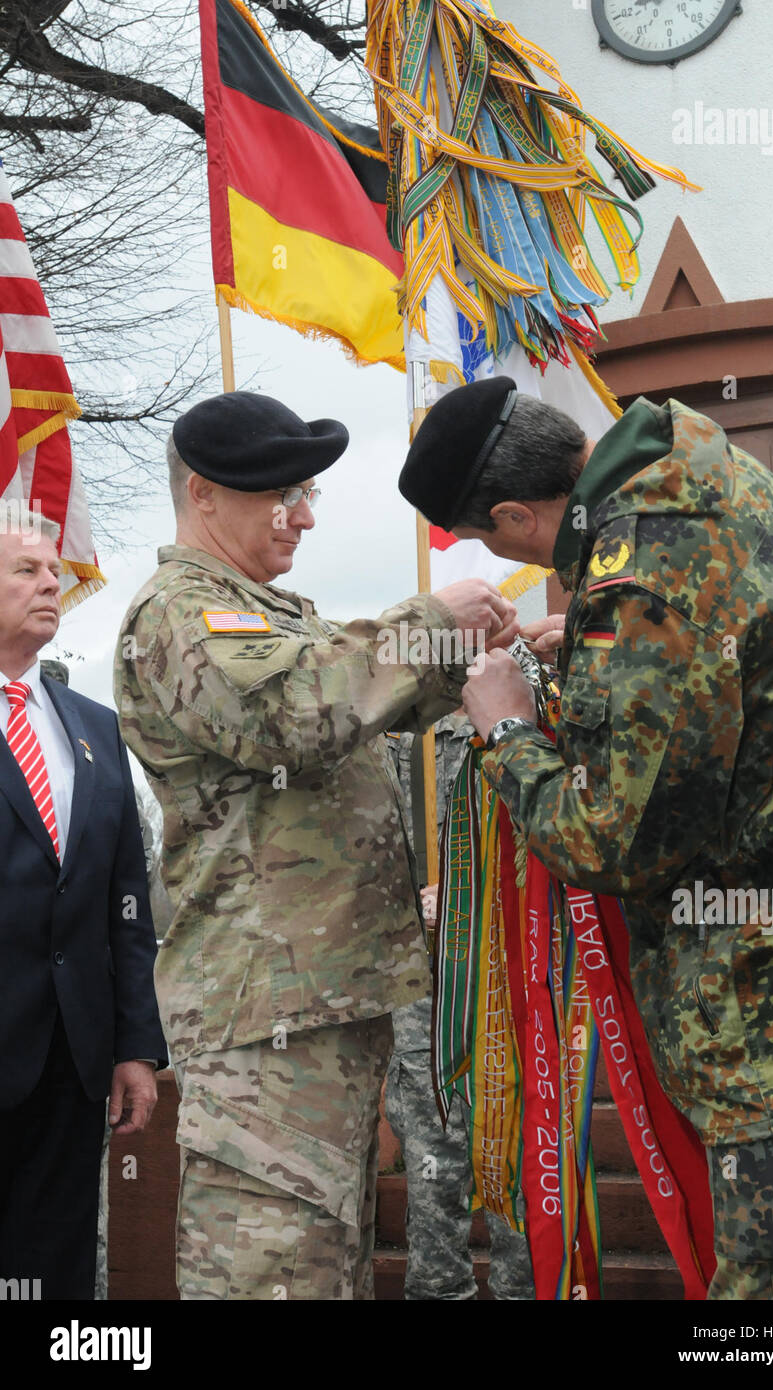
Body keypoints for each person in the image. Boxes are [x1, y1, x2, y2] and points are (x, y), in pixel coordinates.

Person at [398, 376, 773, 1300]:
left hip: (763, 1005)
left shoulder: (636, 577)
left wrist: (508, 731)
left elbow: (615, 842)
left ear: (513, 513)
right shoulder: (710, 470)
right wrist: (607, 653)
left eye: (491, 537)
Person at [113, 390, 518, 1301]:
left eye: (309, 494)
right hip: (264, 1022)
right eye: (279, 494)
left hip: (321, 1003)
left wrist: (497, 652)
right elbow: (292, 715)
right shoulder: (183, 612)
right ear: (206, 495)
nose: (300, 515)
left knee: (321, 1272)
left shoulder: (272, 611)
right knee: (270, 1278)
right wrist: (427, 620)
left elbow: (371, 698)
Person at [0, 509, 166, 1301]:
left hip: (71, 1057)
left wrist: (134, 1044)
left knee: (53, 1267)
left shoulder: (95, 726)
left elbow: (122, 902)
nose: (50, 584)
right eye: (25, 572)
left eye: (52, 573)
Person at [385, 714, 534, 1300]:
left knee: (522, 1162)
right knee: (433, 1168)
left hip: (521, 979)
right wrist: (408, 898)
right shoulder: (405, 728)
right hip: (427, 988)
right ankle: (439, 1291)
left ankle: (527, 1290)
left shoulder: (536, 708)